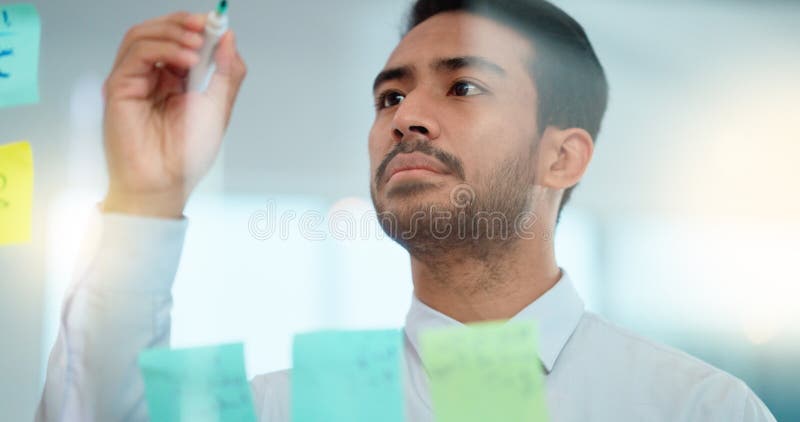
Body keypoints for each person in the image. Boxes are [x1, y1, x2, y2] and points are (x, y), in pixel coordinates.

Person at [36, 0, 776, 421]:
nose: (405, 118)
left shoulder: (700, 410)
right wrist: (146, 198)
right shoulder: (283, 409)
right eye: (390, 96)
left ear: (562, 157)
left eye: (463, 87)